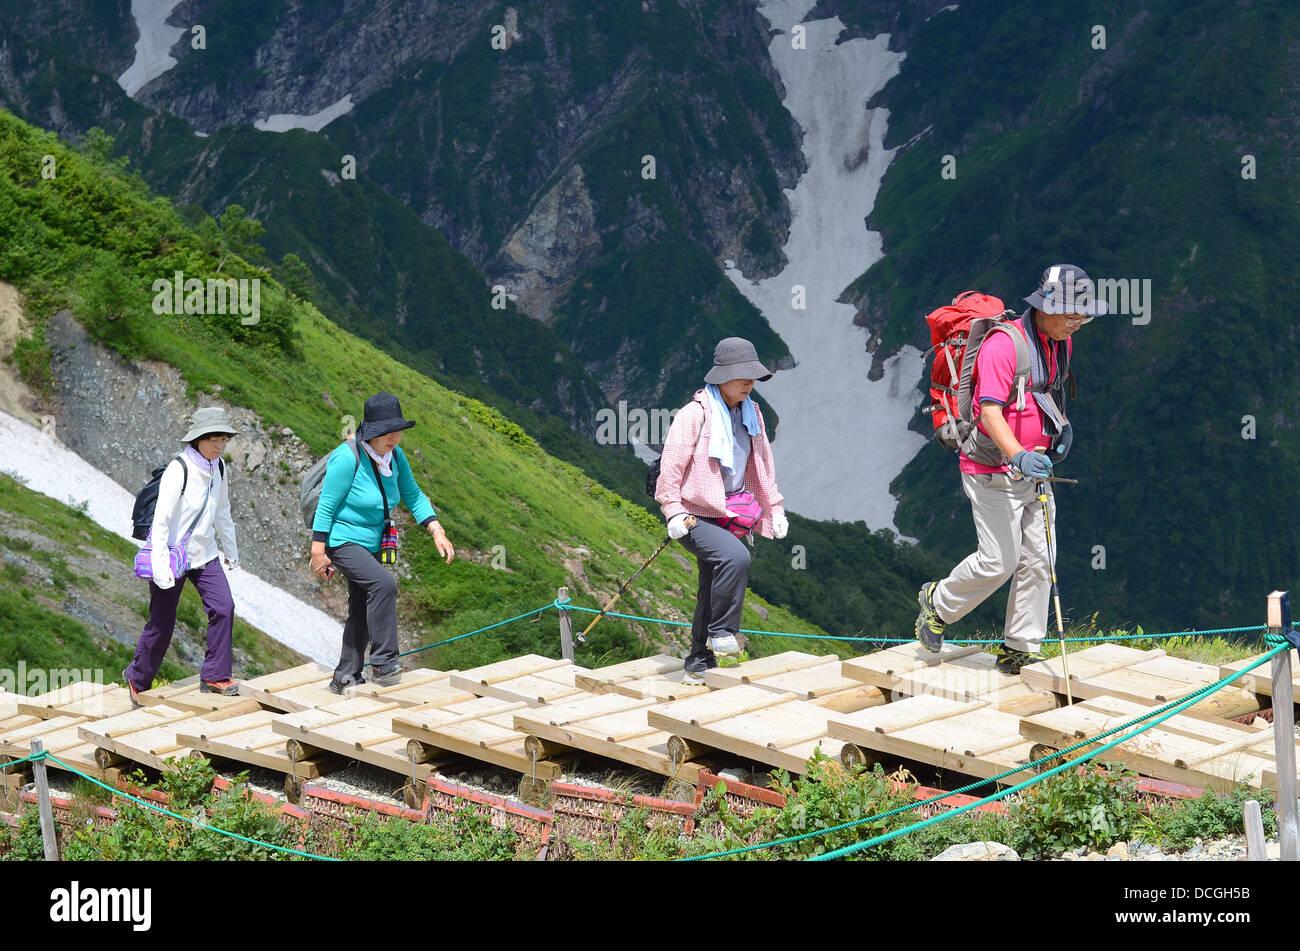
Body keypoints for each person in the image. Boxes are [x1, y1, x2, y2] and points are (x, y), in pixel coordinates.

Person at [915, 264, 1103, 673]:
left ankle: (1020, 646)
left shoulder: (1059, 343)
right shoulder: (1004, 346)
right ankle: (936, 603)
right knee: (999, 561)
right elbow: (989, 413)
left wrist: (1061, 430)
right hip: (992, 469)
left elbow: (1045, 392)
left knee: (1041, 558)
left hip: (1036, 467)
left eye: (1083, 316)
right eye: (1073, 314)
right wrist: (1017, 453)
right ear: (1046, 307)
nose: (1078, 324)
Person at [655, 338, 789, 685]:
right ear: (721, 377)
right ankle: (722, 632)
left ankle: (699, 663)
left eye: (753, 377)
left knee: (710, 585)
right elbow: (671, 466)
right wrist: (672, 511)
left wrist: (774, 509)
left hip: (731, 510)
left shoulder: (751, 413)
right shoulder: (694, 415)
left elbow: (762, 465)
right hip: (694, 515)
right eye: (742, 376)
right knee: (736, 558)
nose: (749, 383)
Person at [310, 392, 454, 694]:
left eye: (397, 430)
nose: (393, 437)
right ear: (370, 432)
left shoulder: (396, 457)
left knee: (362, 606)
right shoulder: (347, 457)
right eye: (385, 432)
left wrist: (436, 529)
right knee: (383, 585)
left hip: (373, 540)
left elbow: (413, 494)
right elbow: (326, 505)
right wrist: (318, 550)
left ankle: (345, 676)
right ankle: (384, 661)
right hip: (343, 539)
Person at [125, 406, 241, 703]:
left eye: (223, 439)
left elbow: (222, 511)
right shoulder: (180, 469)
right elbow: (161, 520)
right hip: (172, 555)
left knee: (223, 607)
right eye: (214, 439)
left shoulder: (220, 468)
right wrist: (161, 566)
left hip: (205, 555)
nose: (219, 445)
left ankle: (214, 676)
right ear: (198, 439)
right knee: (162, 622)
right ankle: (138, 679)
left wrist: (231, 549)